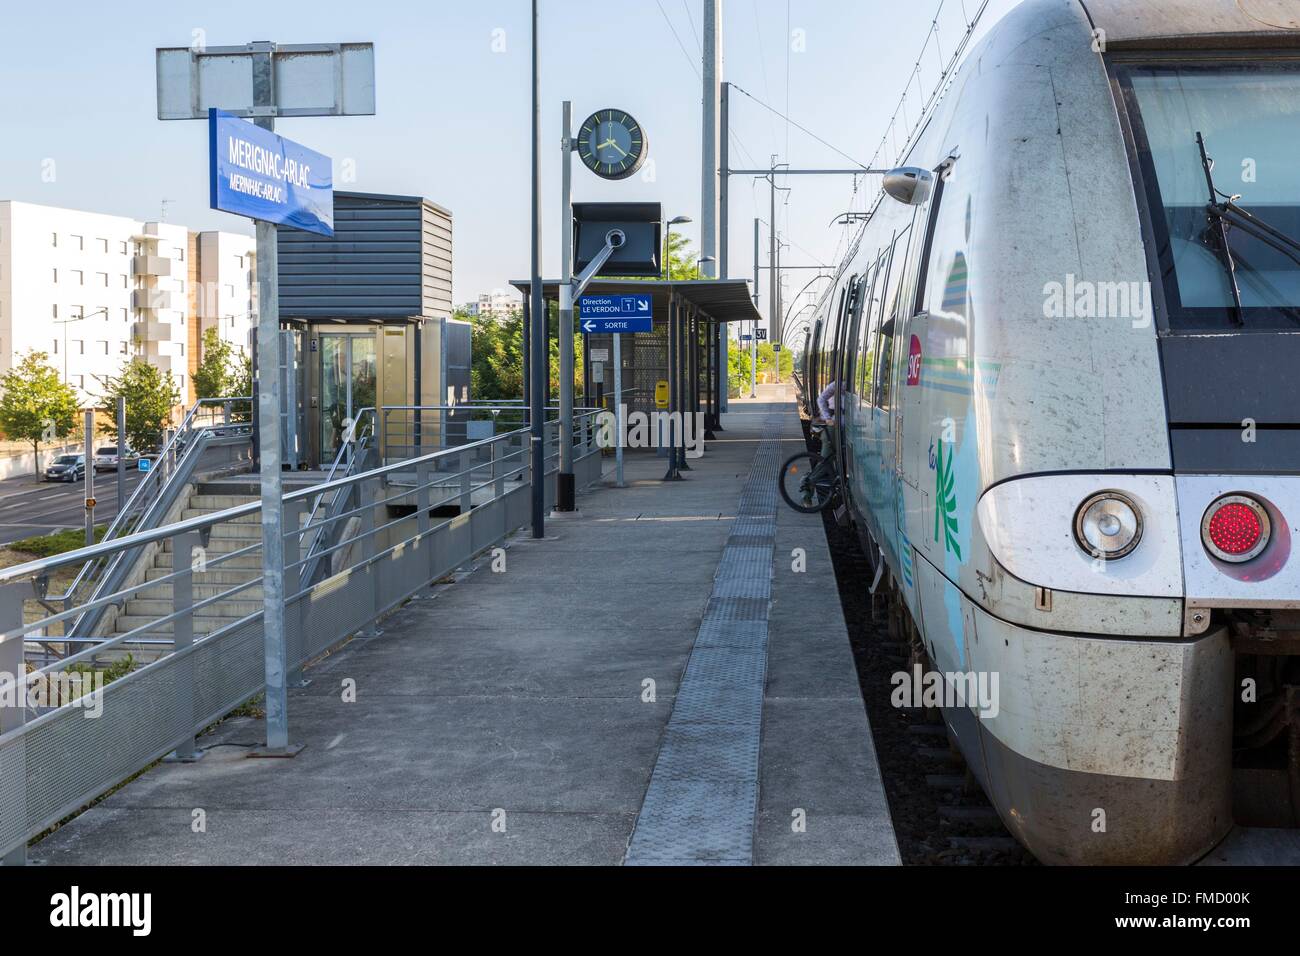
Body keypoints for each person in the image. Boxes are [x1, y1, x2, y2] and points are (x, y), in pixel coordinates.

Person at [814, 379, 840, 459]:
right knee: (826, 456)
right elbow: (821, 399)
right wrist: (827, 418)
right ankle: (819, 471)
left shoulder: (853, 383)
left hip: (846, 423)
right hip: (834, 422)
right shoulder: (837, 384)